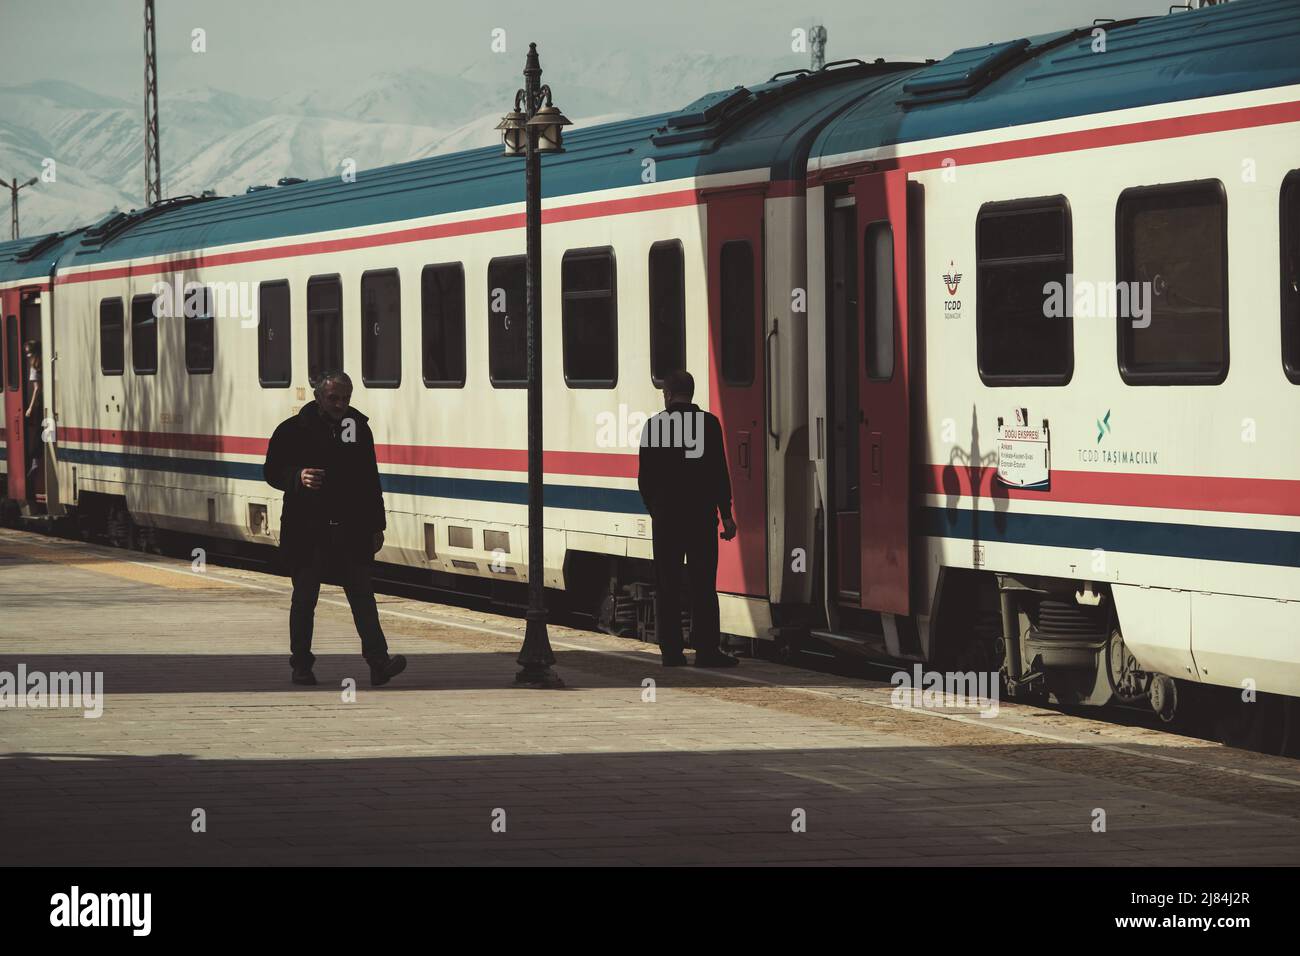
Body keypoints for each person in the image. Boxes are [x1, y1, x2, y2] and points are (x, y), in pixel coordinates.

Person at [263, 371, 407, 687]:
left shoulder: (357, 429)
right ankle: (301, 665)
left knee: (363, 599)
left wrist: (376, 525)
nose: (340, 404)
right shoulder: (293, 430)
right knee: (304, 600)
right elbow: (272, 470)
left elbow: (371, 479)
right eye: (334, 398)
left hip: (350, 530)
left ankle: (378, 663)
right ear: (318, 397)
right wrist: (297, 477)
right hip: (308, 530)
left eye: (345, 398)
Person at [638, 369, 738, 668]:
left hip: (667, 519)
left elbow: (645, 478)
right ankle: (707, 650)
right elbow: (719, 474)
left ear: (667, 394)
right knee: (703, 584)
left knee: (667, 584)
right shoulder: (708, 424)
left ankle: (671, 652)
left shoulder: (654, 426)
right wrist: (726, 516)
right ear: (691, 394)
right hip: (700, 519)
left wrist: (656, 509)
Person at [22, 341, 41, 481]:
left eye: (30, 353)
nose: (28, 356)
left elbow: (36, 389)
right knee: (42, 433)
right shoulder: (44, 361)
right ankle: (35, 460)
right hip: (47, 402)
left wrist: (30, 408)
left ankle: (35, 461)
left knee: (37, 433)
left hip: (40, 404)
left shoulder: (34, 366)